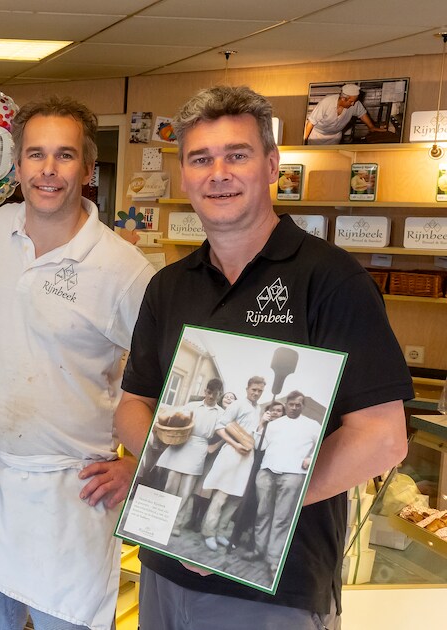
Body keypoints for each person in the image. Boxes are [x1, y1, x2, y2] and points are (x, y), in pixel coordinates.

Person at [115, 85, 411, 629]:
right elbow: (133, 405)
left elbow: (382, 437)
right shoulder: (168, 286)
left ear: (272, 165)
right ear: (184, 175)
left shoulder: (331, 280)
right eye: (201, 159)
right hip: (164, 564)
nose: (217, 173)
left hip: (275, 594)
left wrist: (247, 506)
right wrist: (179, 457)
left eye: (237, 155)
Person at [0, 96, 155, 630]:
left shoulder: (123, 269)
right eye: (35, 155)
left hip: (75, 494)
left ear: (88, 168)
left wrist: (143, 465)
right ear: (17, 166)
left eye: (64, 156)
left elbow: (178, 377)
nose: (48, 170)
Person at [247, 391, 322, 573]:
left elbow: (322, 444)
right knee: (262, 513)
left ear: (303, 406)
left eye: (298, 405)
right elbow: (259, 446)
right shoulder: (274, 424)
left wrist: (311, 458)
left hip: (293, 474)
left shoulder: (312, 425)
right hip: (267, 471)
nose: (294, 407)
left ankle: (274, 559)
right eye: (291, 404)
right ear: (286, 404)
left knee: (282, 518)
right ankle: (259, 549)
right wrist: (262, 423)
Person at [197, 377, 266, 551]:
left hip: (247, 456)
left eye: (260, 391)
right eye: (254, 389)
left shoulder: (258, 408)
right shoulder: (238, 405)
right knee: (221, 495)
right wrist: (235, 444)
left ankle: (221, 532)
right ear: (247, 388)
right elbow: (220, 427)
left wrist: (261, 425)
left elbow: (253, 434)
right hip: (231, 453)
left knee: (236, 497)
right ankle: (209, 532)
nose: (256, 393)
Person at [157, 379, 223, 538]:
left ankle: (176, 524)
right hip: (182, 444)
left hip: (199, 448)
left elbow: (226, 433)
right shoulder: (192, 406)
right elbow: (176, 419)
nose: (212, 396)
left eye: (216, 393)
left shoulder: (221, 413)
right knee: (171, 485)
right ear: (205, 391)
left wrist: (215, 446)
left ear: (219, 394)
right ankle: (162, 520)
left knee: (186, 490)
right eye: (209, 392)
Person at [303, 83, 385, 144]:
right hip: (317, 136)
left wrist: (371, 127)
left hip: (335, 137)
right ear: (343, 98)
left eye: (355, 101)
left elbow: (362, 114)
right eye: (351, 101)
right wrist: (303, 141)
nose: (353, 104)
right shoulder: (326, 102)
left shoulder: (355, 103)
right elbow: (311, 122)